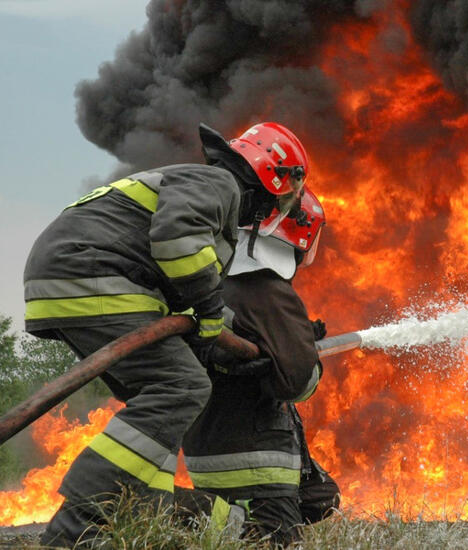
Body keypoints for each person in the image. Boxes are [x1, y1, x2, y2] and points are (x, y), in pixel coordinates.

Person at [24, 121, 310, 547]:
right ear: (273, 177)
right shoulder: (219, 184)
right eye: (286, 195)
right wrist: (212, 314)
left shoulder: (201, 187)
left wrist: (226, 339)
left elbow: (180, 291)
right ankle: (77, 523)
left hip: (72, 279)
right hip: (94, 274)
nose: (277, 208)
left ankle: (136, 509)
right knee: (181, 386)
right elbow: (178, 243)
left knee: (156, 401)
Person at [181, 188, 340, 546]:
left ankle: (225, 522)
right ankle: (184, 512)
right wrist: (306, 355)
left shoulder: (214, 283)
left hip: (207, 449)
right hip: (254, 458)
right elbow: (298, 383)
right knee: (273, 540)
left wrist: (290, 343)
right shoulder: (267, 288)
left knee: (322, 498)